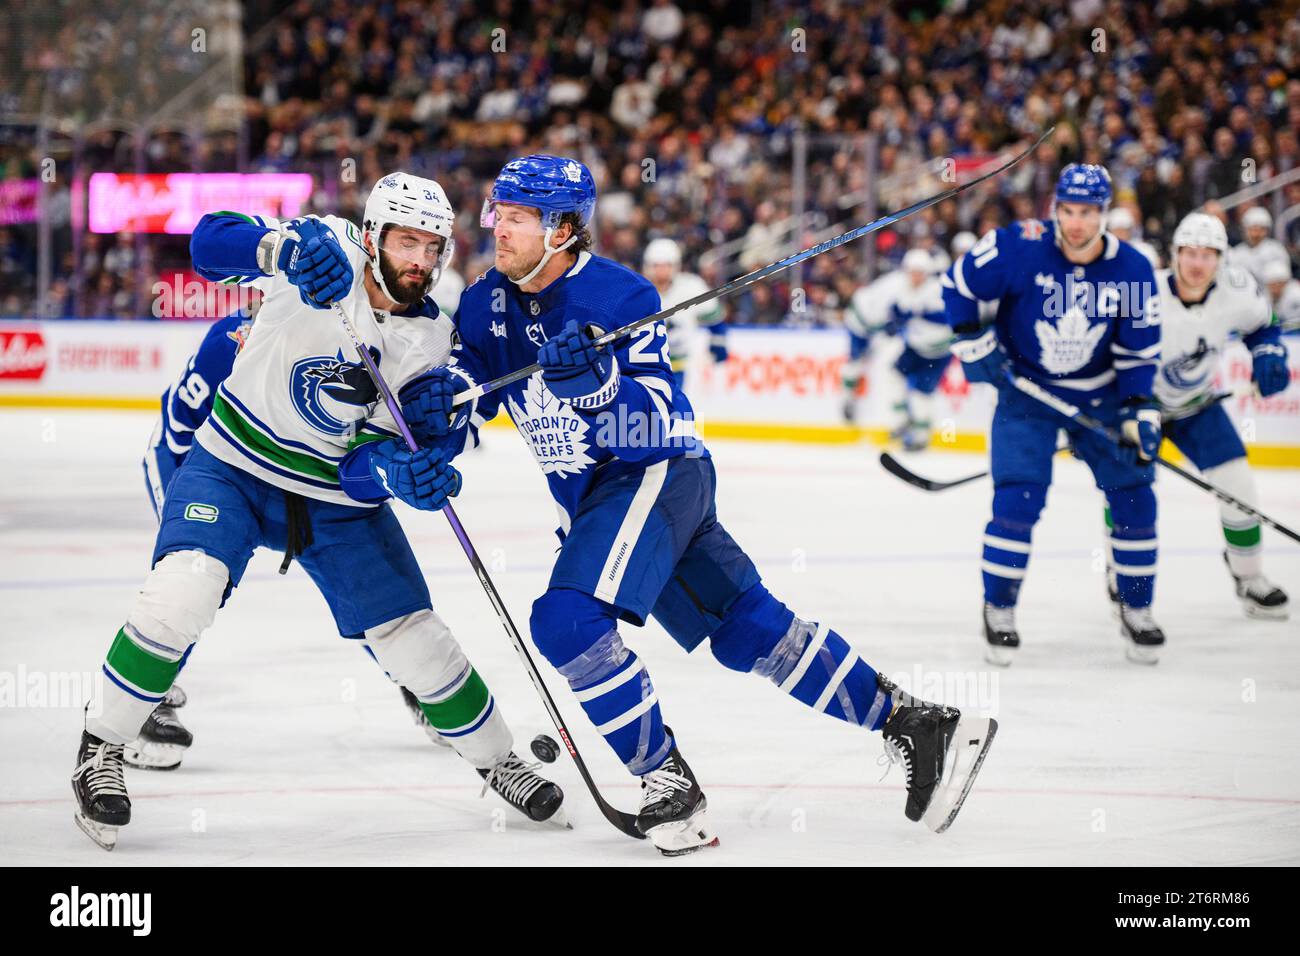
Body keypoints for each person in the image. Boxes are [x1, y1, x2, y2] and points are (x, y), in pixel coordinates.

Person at [399, 155, 997, 856]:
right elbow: (477, 388)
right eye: (497, 212)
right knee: (748, 631)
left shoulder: (619, 299)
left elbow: (654, 418)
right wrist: (442, 405)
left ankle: (667, 783)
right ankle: (918, 724)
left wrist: (597, 386)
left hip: (655, 471)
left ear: (562, 230)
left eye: (518, 217)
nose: (497, 227)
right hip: (599, 499)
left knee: (564, 620)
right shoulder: (483, 302)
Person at [71, 172, 564, 850]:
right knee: (183, 591)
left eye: (431, 245)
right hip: (233, 467)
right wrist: (279, 251)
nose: (418, 259)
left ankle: (498, 759)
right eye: (404, 241)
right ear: (371, 236)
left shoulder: (430, 341)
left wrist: (397, 471)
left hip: (333, 503)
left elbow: (363, 466)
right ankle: (99, 749)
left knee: (416, 640)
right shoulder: (322, 245)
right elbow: (208, 241)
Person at [131, 310, 450, 770]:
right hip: (210, 475)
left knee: (362, 588)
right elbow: (175, 432)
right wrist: (191, 514)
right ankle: (144, 699)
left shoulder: (341, 335)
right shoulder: (229, 341)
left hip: (299, 486)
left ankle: (418, 683)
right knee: (193, 587)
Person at [941, 163, 1166, 665]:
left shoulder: (1132, 268)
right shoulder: (1018, 245)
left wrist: (1137, 408)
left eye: (1088, 212)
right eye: (1068, 210)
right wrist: (970, 339)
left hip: (1101, 396)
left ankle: (1137, 607)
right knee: (1018, 501)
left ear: (1105, 214)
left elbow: (1138, 353)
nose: (1077, 223)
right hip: (1026, 394)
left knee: (1134, 499)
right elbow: (958, 286)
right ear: (1054, 209)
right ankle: (998, 608)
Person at [1117, 212, 1289, 619]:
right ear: (1173, 255)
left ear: (1222, 259)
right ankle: (1117, 572)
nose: (1197, 264)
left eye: (1208, 255)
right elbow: (1110, 352)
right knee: (1125, 494)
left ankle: (1248, 576)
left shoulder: (1237, 289)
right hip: (1140, 408)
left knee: (1239, 487)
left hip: (1197, 406)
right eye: (1189, 253)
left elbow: (1263, 327)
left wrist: (1269, 352)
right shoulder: (1143, 295)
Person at [641, 237, 726, 391]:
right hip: (646, 367)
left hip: (682, 364)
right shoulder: (638, 291)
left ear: (675, 266)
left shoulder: (691, 287)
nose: (661, 271)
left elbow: (714, 317)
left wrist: (717, 344)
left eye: (666, 265)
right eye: (657, 266)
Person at [1227, 207, 1290, 285]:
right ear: (1245, 230)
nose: (1256, 234)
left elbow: (1284, 277)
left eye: (1261, 229)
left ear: (1267, 230)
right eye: (1252, 229)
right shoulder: (1237, 253)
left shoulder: (1276, 249)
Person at [1259, 259, 1300, 333]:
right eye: (1272, 284)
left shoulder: (1296, 293)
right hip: (1284, 333)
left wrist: (1286, 325)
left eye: (1279, 283)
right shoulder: (1264, 295)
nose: (1275, 287)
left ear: (1285, 282)